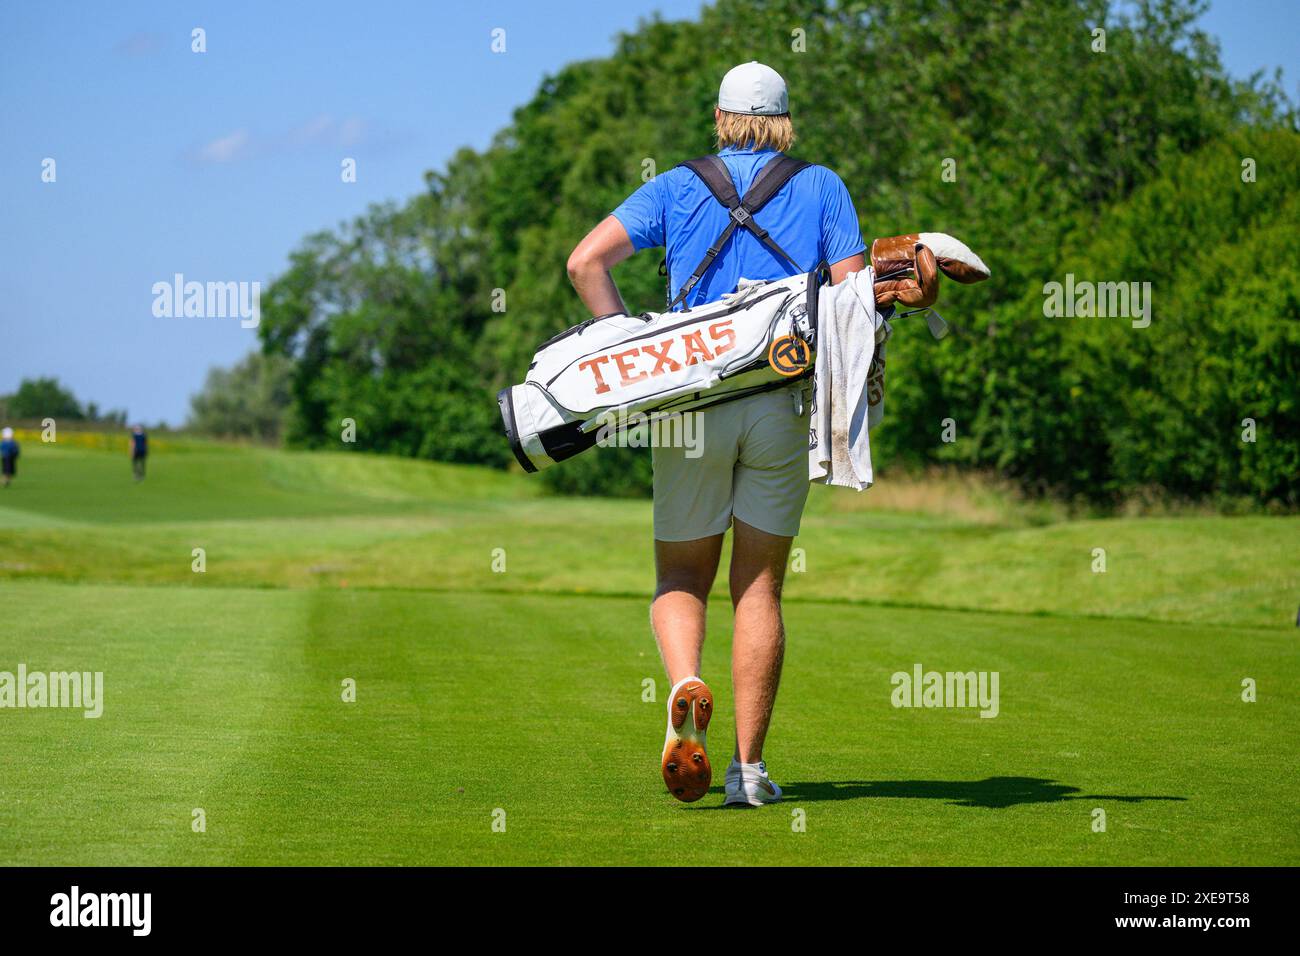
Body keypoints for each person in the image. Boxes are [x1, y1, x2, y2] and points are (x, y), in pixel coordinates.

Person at [566, 62, 866, 807]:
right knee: (759, 585)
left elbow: (585, 261)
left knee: (680, 579)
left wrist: (627, 350)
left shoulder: (674, 186)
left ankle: (685, 684)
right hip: (780, 402)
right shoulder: (824, 186)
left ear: (720, 116)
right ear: (785, 122)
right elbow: (852, 299)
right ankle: (749, 774)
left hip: (691, 403)